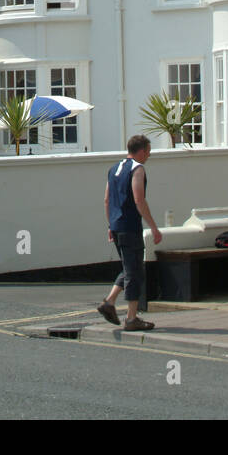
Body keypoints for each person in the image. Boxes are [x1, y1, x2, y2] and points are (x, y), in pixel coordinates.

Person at [97, 134, 161, 332]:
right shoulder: (137, 169)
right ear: (141, 151)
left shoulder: (114, 168)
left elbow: (107, 200)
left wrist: (110, 225)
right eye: (148, 151)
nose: (149, 155)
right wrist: (153, 227)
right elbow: (138, 199)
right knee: (135, 272)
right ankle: (131, 318)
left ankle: (109, 302)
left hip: (116, 226)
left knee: (129, 268)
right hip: (130, 227)